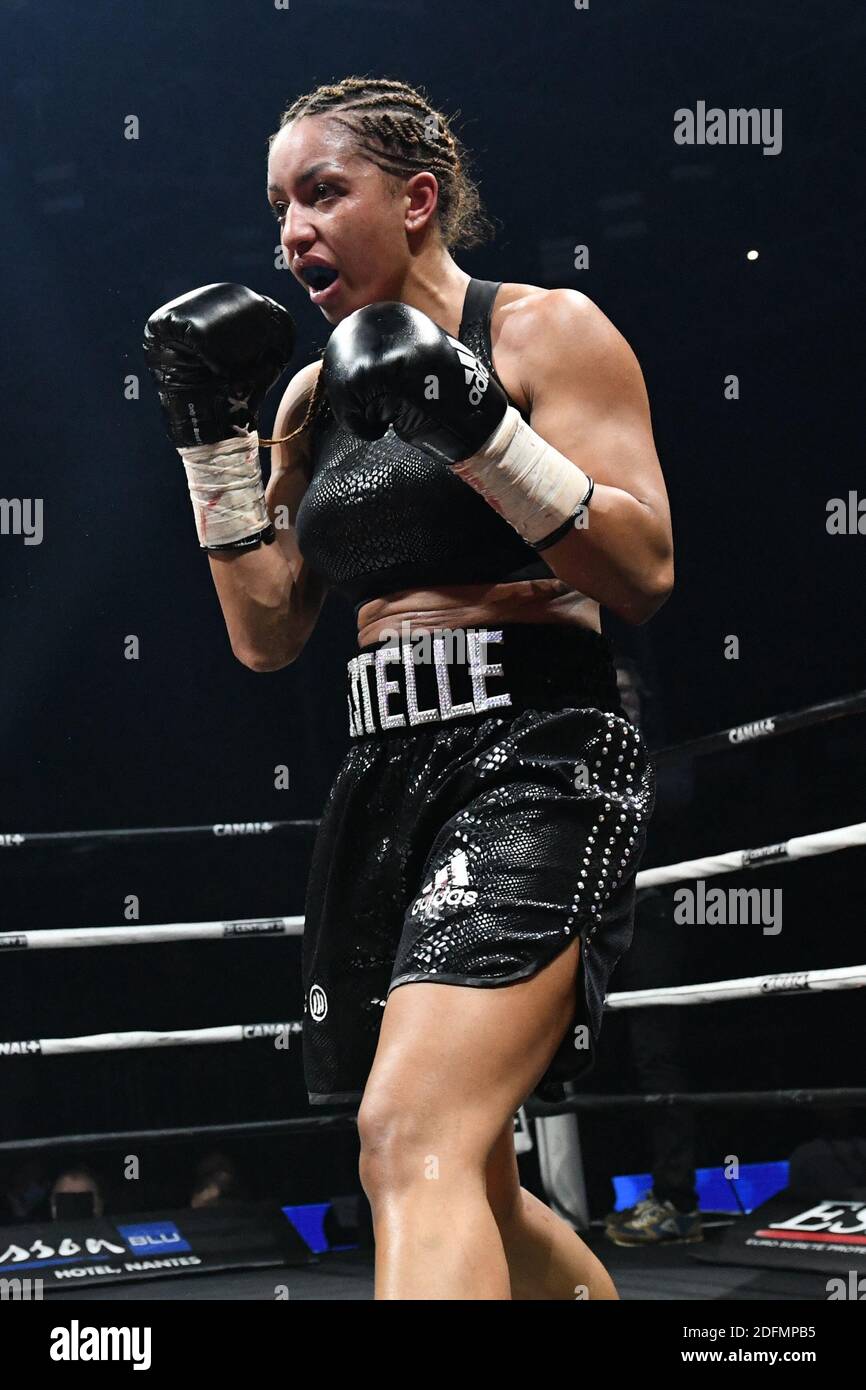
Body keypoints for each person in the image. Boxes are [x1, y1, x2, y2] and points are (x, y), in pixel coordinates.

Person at [144, 76, 673, 1300]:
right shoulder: (307, 398)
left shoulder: (544, 330)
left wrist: (477, 431)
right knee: (467, 1171)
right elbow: (267, 632)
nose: (293, 231)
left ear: (417, 198)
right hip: (385, 774)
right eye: (279, 207)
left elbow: (643, 569)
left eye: (322, 193)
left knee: (409, 1137)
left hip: (537, 753)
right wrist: (208, 440)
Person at [601, 658, 702, 1247]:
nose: (624, 699)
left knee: (656, 1055)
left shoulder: (662, 755)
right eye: (612, 691)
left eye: (631, 691)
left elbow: (676, 798)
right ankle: (572, 1202)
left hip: (651, 915)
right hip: (586, 922)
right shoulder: (579, 755)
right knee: (574, 1055)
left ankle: (677, 1200)